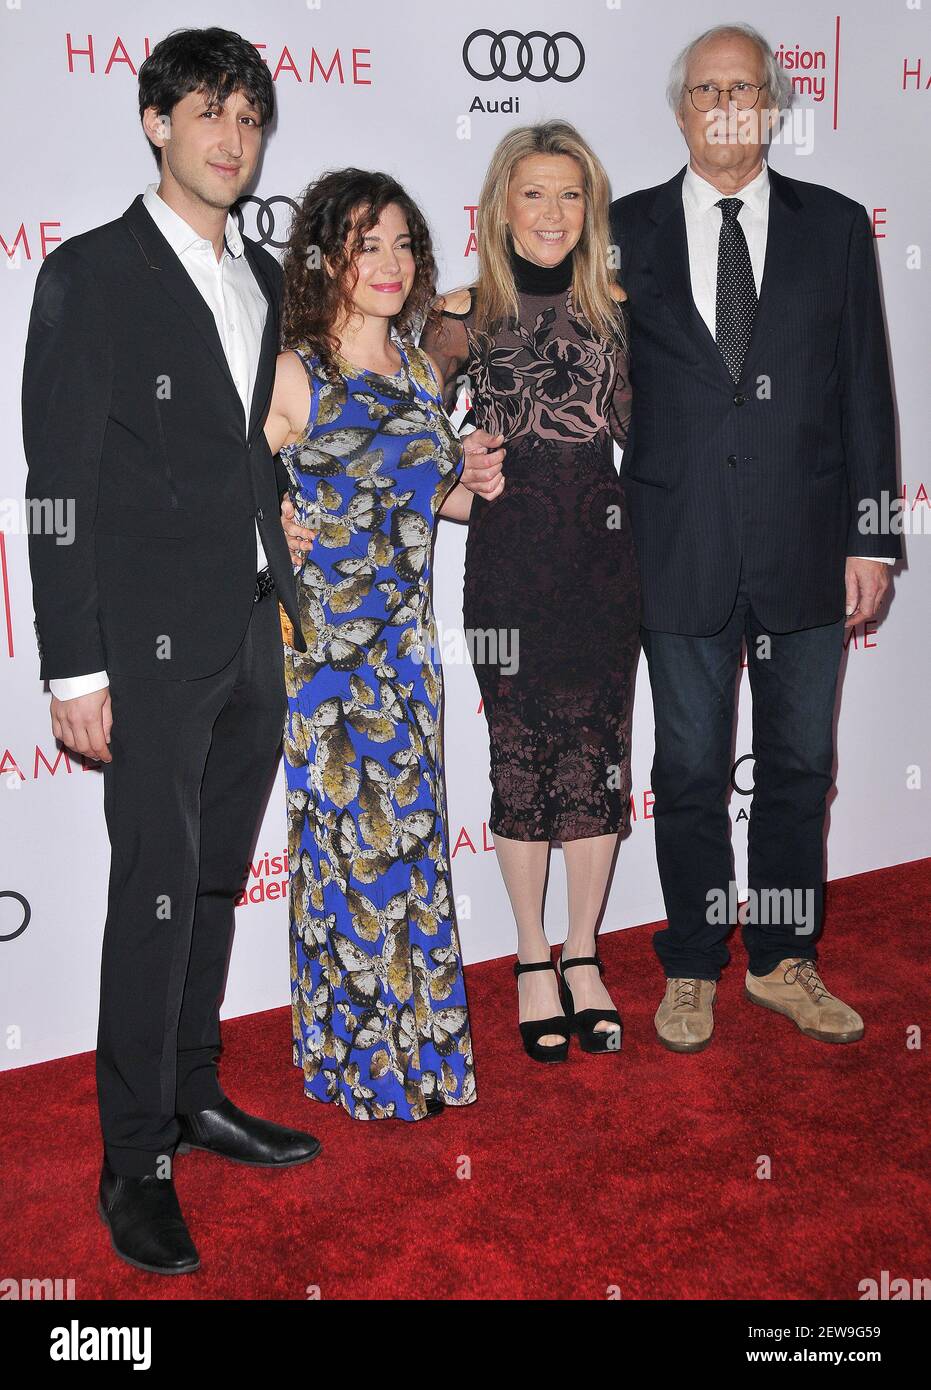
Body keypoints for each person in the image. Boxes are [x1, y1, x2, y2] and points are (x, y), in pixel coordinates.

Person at [22, 27, 321, 1277]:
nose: (233, 138)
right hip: (142, 650)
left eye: (250, 118)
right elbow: (59, 484)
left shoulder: (259, 275)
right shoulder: (91, 273)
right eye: (208, 112)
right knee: (152, 898)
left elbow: (246, 450)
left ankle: (194, 1094)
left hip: (253, 630)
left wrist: (282, 544)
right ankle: (132, 1158)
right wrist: (73, 665)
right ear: (155, 123)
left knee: (207, 886)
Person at [609, 23, 899, 1053]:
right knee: (688, 766)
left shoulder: (831, 229)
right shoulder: (623, 229)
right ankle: (691, 959)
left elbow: (866, 385)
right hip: (674, 542)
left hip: (806, 545)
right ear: (680, 109)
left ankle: (780, 960)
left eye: (743, 86)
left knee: (794, 765)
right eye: (704, 88)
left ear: (773, 105)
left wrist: (873, 537)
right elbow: (555, 350)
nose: (725, 102)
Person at [420, 121, 640, 1062]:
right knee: (521, 761)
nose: (551, 213)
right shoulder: (460, 315)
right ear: (499, 205)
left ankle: (583, 955)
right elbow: (403, 453)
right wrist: (462, 491)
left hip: (604, 567)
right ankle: (529, 958)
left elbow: (657, 442)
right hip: (509, 575)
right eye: (532, 193)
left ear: (587, 209)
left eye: (569, 195)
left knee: (596, 760)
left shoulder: (620, 311)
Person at [265, 169, 478, 1119]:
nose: (389, 264)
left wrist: (480, 476)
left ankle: (424, 1057)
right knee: (353, 859)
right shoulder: (296, 370)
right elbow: (220, 471)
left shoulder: (423, 369)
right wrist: (266, 518)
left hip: (410, 656)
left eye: (401, 244)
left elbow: (435, 495)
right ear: (325, 260)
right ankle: (361, 1064)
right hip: (329, 662)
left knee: (412, 853)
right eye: (366, 245)